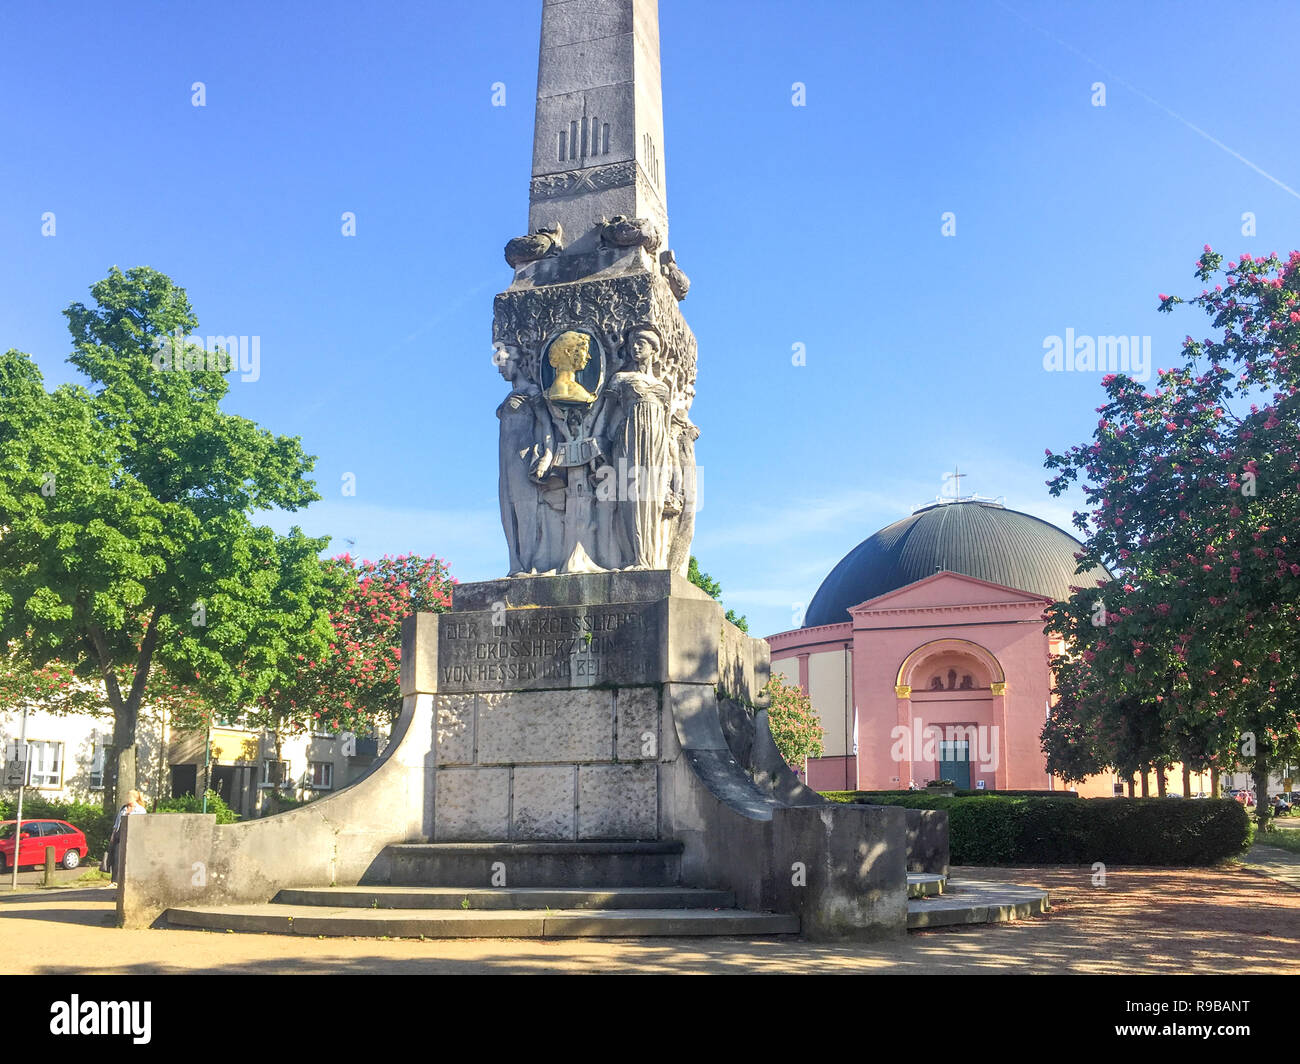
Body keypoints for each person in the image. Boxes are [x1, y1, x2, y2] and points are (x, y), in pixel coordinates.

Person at [107, 789, 147, 885]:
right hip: (120, 836)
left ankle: (130, 879)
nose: (127, 799)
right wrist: (113, 834)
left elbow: (143, 824)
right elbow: (117, 823)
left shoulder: (141, 810)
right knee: (117, 858)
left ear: (135, 798)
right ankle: (115, 880)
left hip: (133, 837)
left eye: (129, 797)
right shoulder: (123, 808)